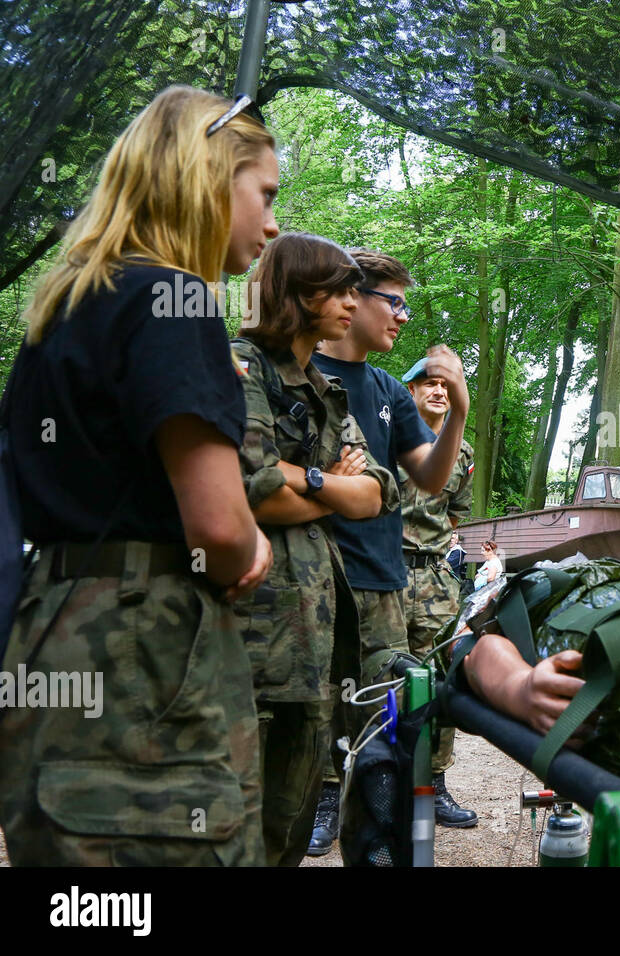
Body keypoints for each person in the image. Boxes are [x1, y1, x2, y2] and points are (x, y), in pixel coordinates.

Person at [0, 87, 275, 865]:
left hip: (47, 635)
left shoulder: (59, 311)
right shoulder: (174, 299)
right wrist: (251, 548)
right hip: (143, 650)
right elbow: (219, 529)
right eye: (264, 194)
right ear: (208, 179)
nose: (272, 223)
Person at [231, 232, 399, 866]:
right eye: (341, 291)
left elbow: (377, 491)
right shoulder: (242, 366)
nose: (355, 303)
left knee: (290, 827)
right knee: (236, 827)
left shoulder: (326, 389)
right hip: (251, 642)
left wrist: (312, 481)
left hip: (317, 642)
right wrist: (332, 483)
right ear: (300, 294)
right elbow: (254, 489)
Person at [306, 248, 469, 858]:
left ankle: (374, 842)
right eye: (394, 302)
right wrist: (329, 485)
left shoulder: (387, 390)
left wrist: (459, 411)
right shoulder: (297, 373)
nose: (403, 316)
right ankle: (322, 800)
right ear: (352, 298)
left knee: (383, 729)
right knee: (313, 717)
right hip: (314, 581)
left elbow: (431, 475)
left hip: (382, 586)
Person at [397, 356, 477, 827]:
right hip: (384, 573)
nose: (439, 391)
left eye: (446, 385)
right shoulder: (385, 437)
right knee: (366, 677)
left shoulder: (462, 453)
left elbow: (454, 513)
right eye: (428, 383)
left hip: (435, 582)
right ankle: (340, 788)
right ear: (409, 391)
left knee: (438, 680)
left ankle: (435, 782)